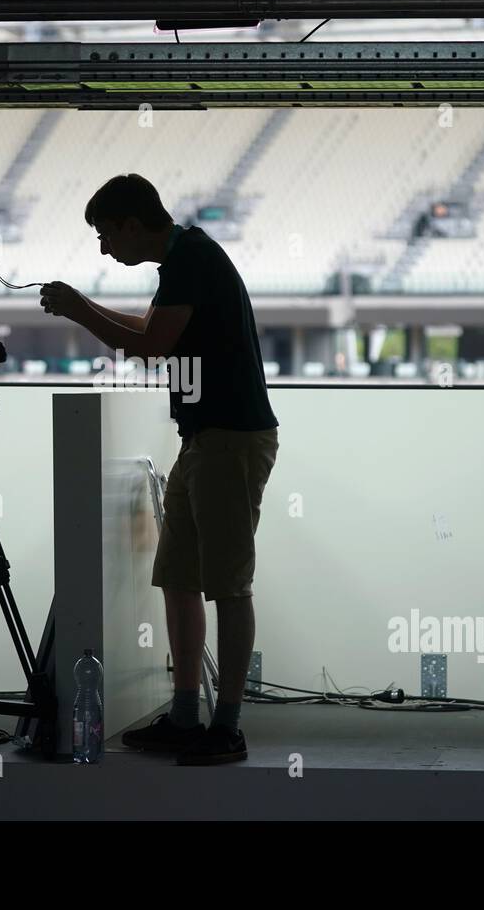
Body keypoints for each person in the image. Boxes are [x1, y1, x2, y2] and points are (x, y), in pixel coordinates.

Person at [39, 173, 279, 765]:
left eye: (104, 234)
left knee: (227, 585)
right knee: (178, 577)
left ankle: (226, 724)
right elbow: (153, 331)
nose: (103, 247)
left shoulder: (191, 259)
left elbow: (148, 349)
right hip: (207, 440)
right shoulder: (185, 260)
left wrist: (77, 311)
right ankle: (185, 714)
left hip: (229, 440)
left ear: (129, 223)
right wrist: (84, 307)